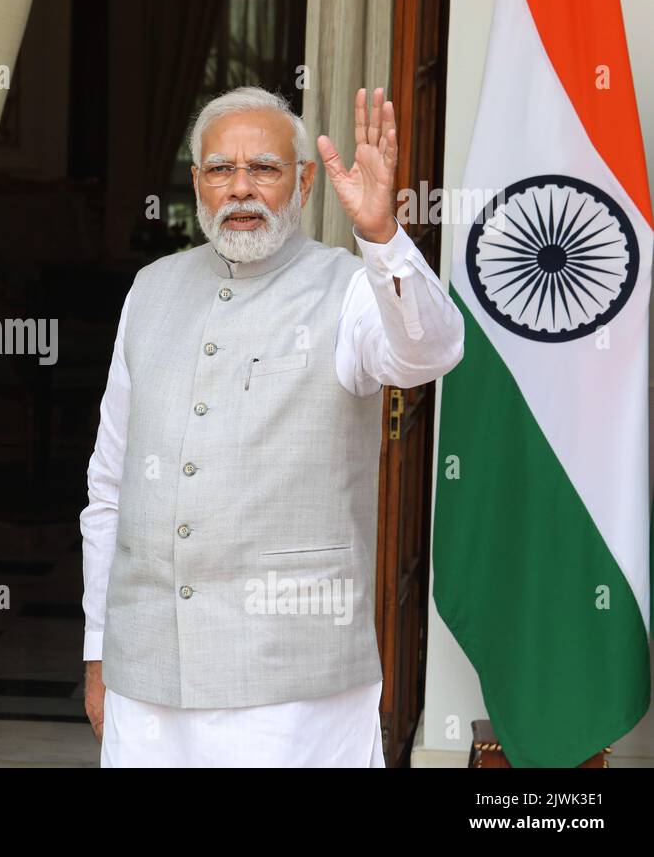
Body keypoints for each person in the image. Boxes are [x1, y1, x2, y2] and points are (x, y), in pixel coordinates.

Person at [80, 86, 465, 766]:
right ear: (196, 182)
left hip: (293, 680)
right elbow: (110, 487)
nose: (241, 188)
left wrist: (383, 238)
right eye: (220, 169)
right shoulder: (150, 290)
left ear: (306, 180)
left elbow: (428, 353)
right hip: (146, 673)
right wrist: (97, 651)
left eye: (264, 167)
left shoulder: (349, 287)